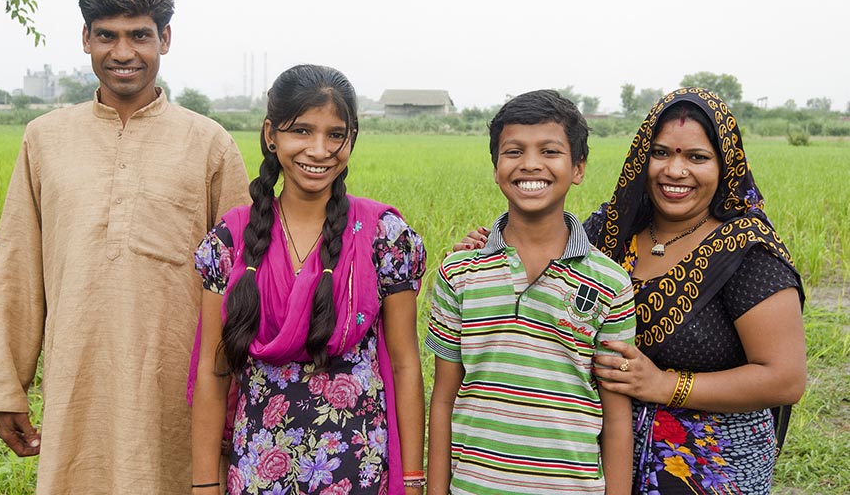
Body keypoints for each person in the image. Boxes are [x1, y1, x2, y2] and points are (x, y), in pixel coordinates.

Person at [0, 0, 250, 494]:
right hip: (78, 386)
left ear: (165, 39)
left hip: (179, 393)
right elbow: (17, 269)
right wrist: (7, 388)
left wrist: (238, 395)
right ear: (85, 38)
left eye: (139, 36)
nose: (123, 53)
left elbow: (244, 281)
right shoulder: (44, 139)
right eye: (107, 35)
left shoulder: (209, 144)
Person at [461, 88, 807, 494]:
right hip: (598, 457)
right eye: (661, 153)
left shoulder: (746, 251)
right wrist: (487, 249)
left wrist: (664, 384)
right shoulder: (614, 230)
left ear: (725, 165)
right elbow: (545, 252)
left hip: (709, 466)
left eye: (696, 157)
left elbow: (784, 378)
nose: (675, 171)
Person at [189, 64, 427, 495]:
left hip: (359, 469)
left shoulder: (382, 235)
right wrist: (204, 483)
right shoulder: (232, 240)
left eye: (336, 134)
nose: (319, 150)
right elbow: (213, 369)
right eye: (301, 131)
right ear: (270, 135)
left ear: (351, 140)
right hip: (258, 467)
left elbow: (407, 363)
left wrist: (412, 481)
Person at [426, 90, 636, 495]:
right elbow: (443, 398)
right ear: (496, 167)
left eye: (550, 151)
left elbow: (616, 417)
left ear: (578, 168)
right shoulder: (459, 274)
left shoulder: (610, 283)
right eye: (514, 151)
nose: (531, 164)